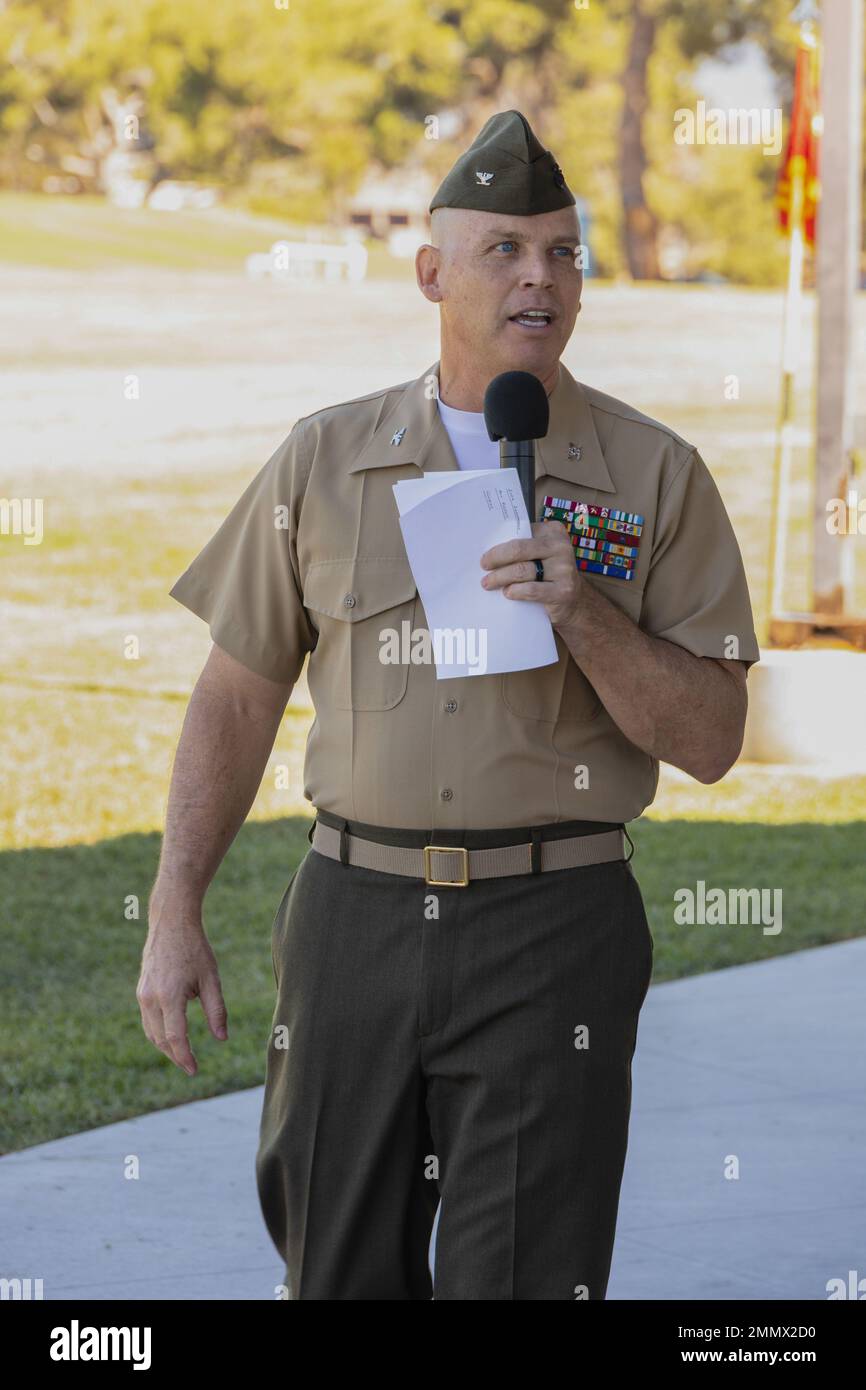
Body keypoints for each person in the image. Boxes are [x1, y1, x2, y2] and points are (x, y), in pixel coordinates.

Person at [138, 110, 760, 1300]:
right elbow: (235, 692)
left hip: (553, 927)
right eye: (507, 251)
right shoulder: (323, 460)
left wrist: (585, 614)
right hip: (351, 921)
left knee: (523, 1278)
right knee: (334, 1268)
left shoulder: (652, 472)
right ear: (431, 272)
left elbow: (712, 740)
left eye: (564, 254)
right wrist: (173, 911)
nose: (541, 277)